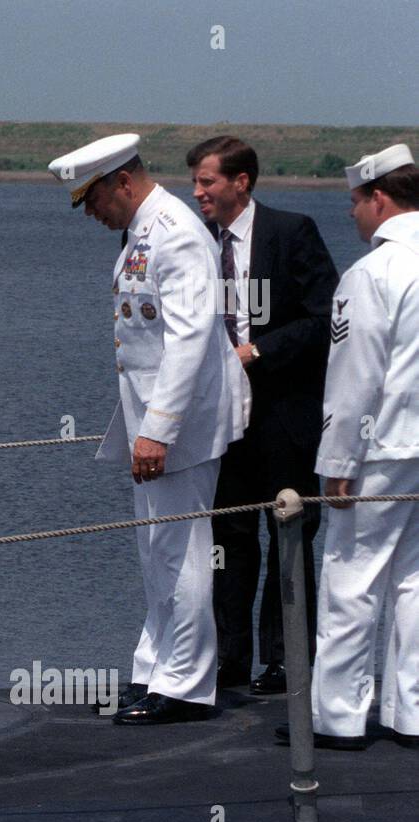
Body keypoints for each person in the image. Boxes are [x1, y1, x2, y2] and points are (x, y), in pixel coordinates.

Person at [47, 134, 248, 724]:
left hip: (178, 426)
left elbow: (187, 341)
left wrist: (158, 431)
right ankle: (155, 669)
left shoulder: (176, 234)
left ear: (123, 183)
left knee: (181, 555)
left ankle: (184, 685)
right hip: (151, 423)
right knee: (156, 551)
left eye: (93, 199)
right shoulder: (143, 233)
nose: (90, 213)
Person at [186, 136, 339, 695]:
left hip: (283, 414)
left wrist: (259, 350)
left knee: (290, 534)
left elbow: (327, 319)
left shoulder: (290, 232)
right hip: (222, 419)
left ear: (241, 182)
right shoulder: (195, 241)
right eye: (196, 182)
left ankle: (286, 659)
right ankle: (229, 659)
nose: (197, 191)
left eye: (207, 181)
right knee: (227, 537)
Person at [306, 144, 419, 750]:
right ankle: (413, 713)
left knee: (351, 581)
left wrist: (337, 463)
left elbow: (354, 379)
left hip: (382, 451)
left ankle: (340, 718)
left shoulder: (371, 273)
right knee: (417, 582)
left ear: (379, 198)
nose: (351, 214)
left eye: (354, 201)